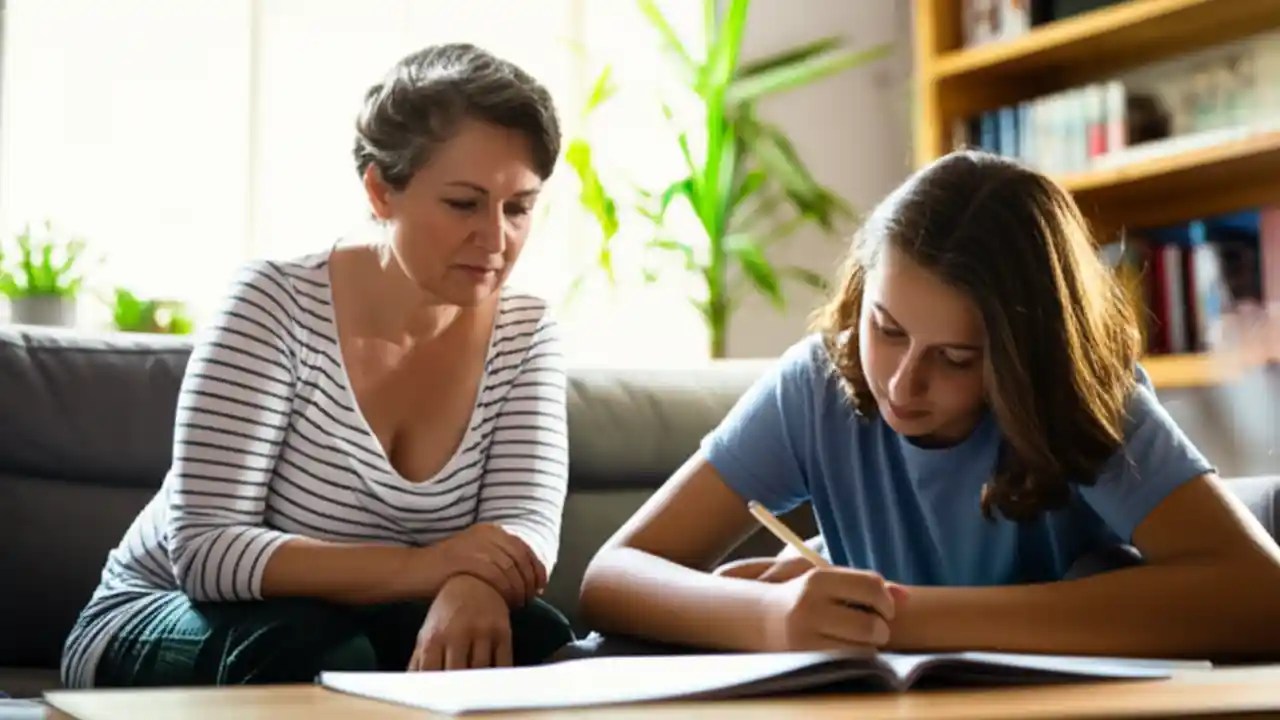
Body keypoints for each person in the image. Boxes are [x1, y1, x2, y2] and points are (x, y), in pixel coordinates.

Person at [578, 150, 1280, 660]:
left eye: (955, 359)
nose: (903, 384)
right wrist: (765, 615)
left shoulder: (1078, 391)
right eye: (887, 328)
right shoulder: (819, 383)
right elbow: (613, 576)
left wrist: (903, 617)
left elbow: (1259, 597)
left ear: (1023, 357)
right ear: (861, 293)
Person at [62, 43, 575, 688]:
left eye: (519, 207)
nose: (497, 239)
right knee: (307, 647)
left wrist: (475, 582)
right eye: (464, 204)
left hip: (353, 623)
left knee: (537, 638)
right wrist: (434, 568)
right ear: (380, 191)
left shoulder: (526, 331)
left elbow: (523, 527)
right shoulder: (272, 303)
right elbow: (204, 552)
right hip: (165, 615)